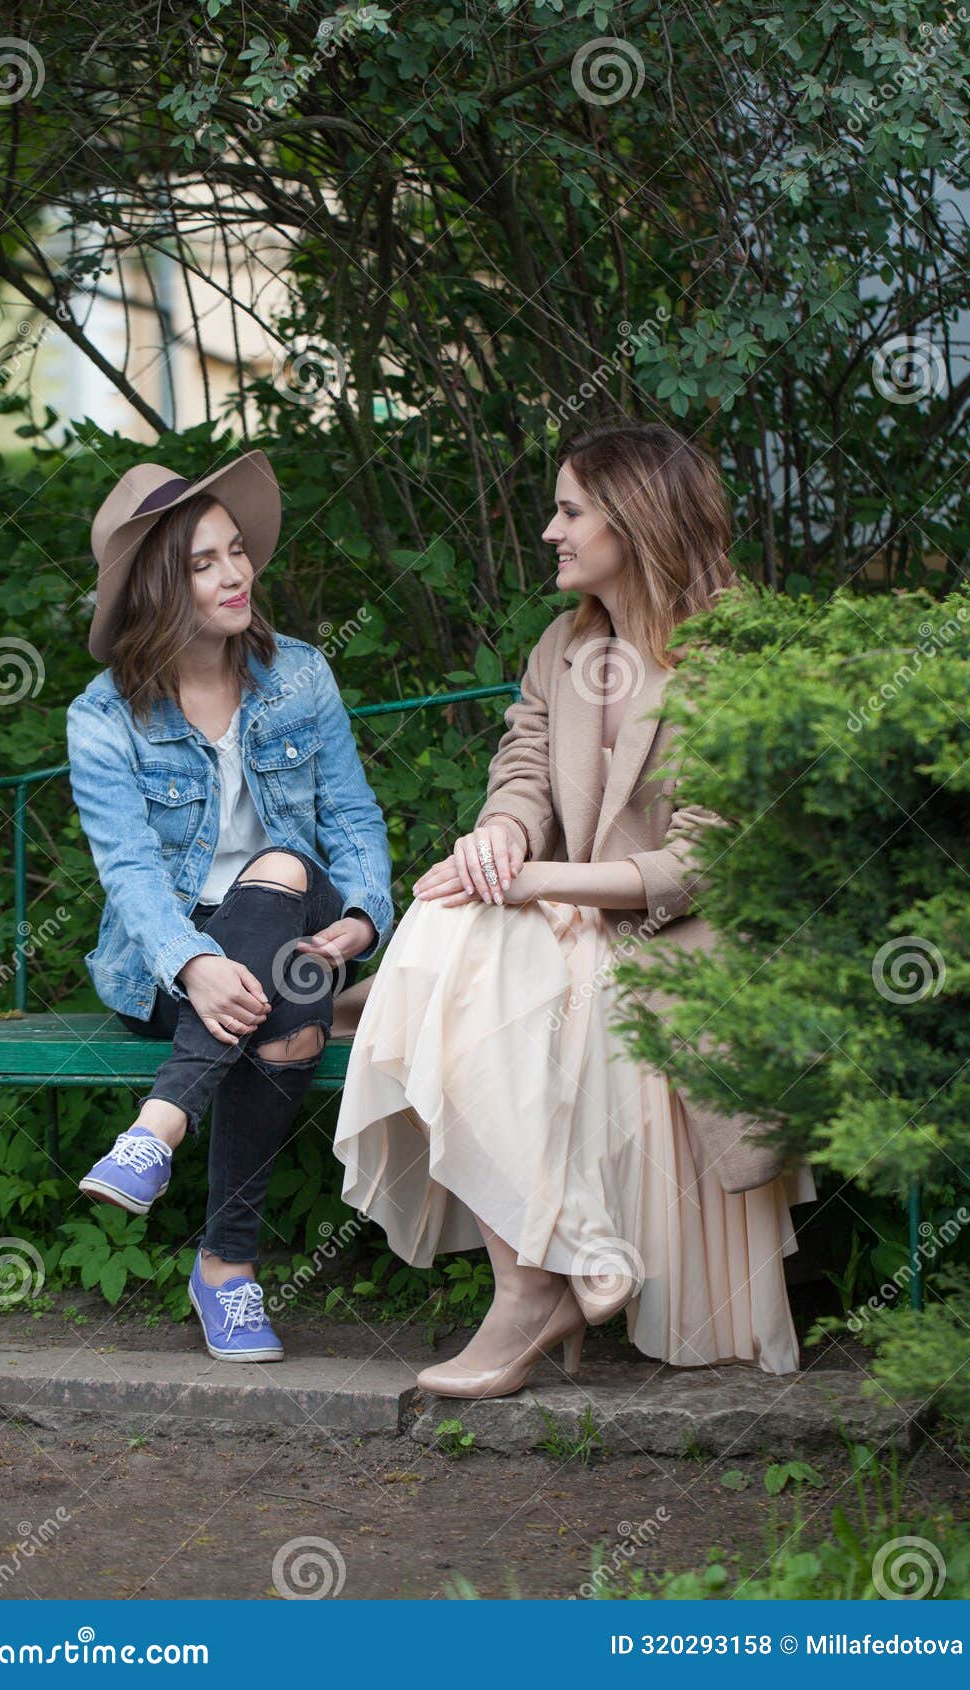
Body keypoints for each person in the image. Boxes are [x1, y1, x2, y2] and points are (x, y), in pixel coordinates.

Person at [333, 422, 815, 1399]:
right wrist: (501, 838)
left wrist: (537, 883)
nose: (549, 531)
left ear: (632, 522)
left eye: (568, 510)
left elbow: (701, 860)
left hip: (682, 948)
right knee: (452, 918)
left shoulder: (730, 654)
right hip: (576, 935)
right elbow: (519, 769)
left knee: (458, 945)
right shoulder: (564, 644)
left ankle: (539, 1280)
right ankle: (544, 1270)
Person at [66, 449, 393, 1361]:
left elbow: (354, 820)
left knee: (286, 860)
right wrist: (197, 964)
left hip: (302, 920)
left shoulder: (300, 675)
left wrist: (365, 915)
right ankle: (226, 1271)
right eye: (204, 562)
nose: (235, 574)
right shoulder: (103, 719)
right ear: (160, 587)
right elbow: (129, 873)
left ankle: (154, 1129)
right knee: (292, 1027)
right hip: (171, 962)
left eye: (236, 551)